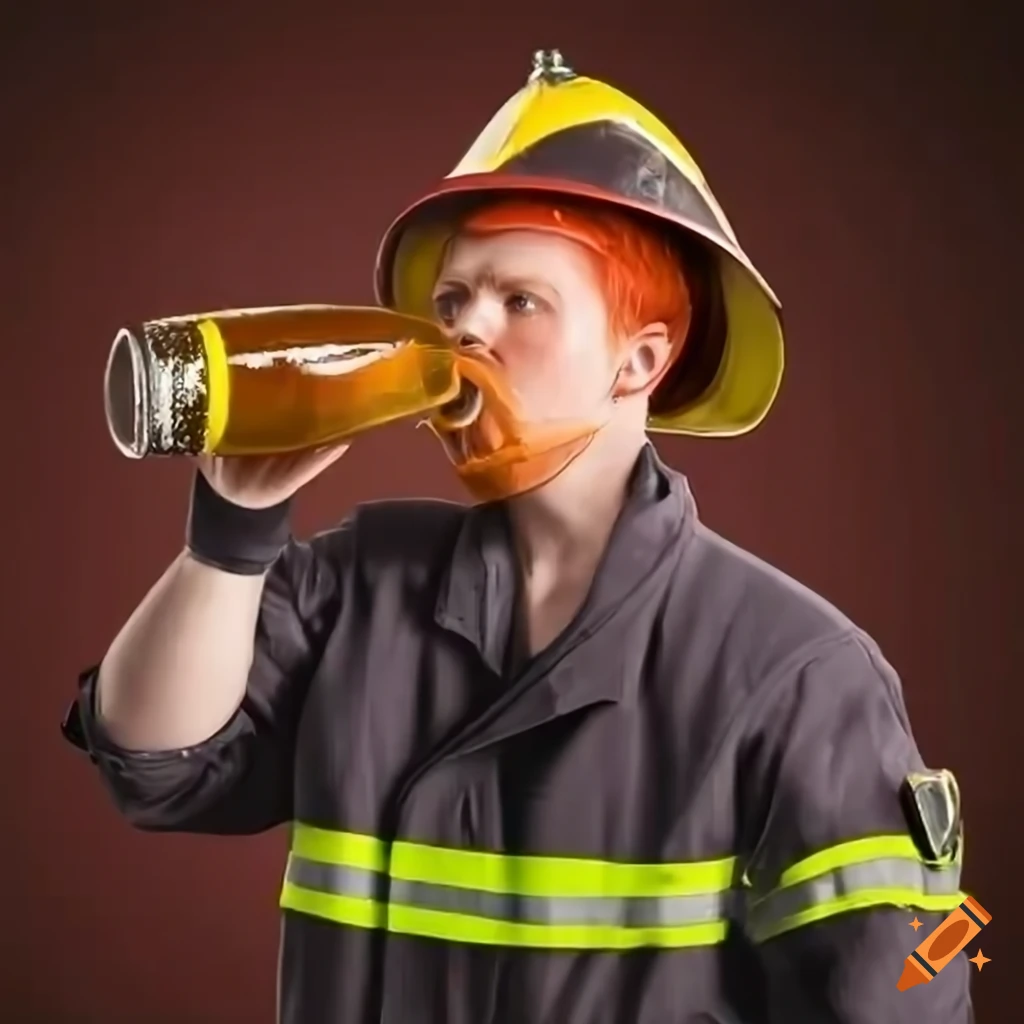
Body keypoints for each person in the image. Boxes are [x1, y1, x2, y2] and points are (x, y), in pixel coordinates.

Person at [63, 50, 974, 1024]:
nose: (465, 333)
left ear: (640, 360)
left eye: (519, 301)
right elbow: (155, 764)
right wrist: (232, 530)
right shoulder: (359, 583)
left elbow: (907, 994)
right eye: (451, 302)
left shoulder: (797, 673)